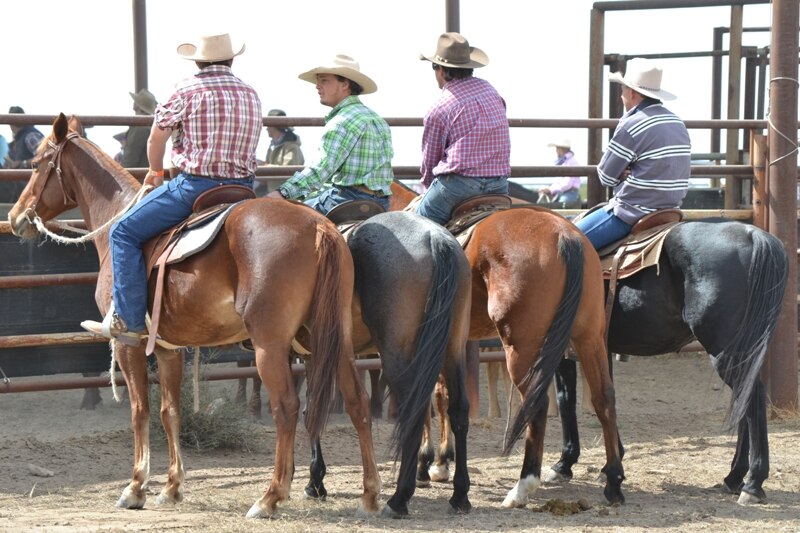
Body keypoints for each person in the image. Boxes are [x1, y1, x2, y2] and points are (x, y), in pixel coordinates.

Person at [82, 32, 262, 344]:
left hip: (195, 187)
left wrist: (155, 170)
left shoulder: (187, 88)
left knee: (123, 231)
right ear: (231, 59)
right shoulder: (250, 93)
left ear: (198, 60)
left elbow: (156, 138)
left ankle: (129, 318)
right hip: (243, 189)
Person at [575, 58, 691, 250]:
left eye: (623, 90)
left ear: (633, 93)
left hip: (633, 211)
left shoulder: (632, 124)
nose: (622, 95)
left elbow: (605, 176)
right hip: (669, 210)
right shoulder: (676, 121)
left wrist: (622, 173)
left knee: (568, 242)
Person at [266, 54, 393, 214]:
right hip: (381, 202)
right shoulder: (377, 119)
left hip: (346, 199)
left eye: (324, 80)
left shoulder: (341, 122)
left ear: (345, 84)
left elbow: (321, 169)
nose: (317, 86)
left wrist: (283, 192)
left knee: (287, 217)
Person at [415, 32, 511, 225]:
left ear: (440, 70)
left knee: (415, 228)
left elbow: (430, 161)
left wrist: (427, 187)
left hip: (458, 187)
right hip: (499, 185)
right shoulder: (490, 90)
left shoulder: (439, 108)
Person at [256, 108, 304, 196]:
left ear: (272, 127)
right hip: (274, 193)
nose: (266, 129)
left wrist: (263, 166)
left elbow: (290, 171)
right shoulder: (272, 147)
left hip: (284, 195)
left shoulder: (292, 148)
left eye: (267, 125)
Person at [537, 139, 582, 207]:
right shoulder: (565, 162)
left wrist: (550, 190)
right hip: (564, 192)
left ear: (561, 149)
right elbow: (559, 182)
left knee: (560, 207)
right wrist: (550, 189)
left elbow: (567, 184)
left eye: (557, 148)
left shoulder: (571, 162)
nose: (556, 151)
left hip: (569, 193)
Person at [121, 89, 158, 169]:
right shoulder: (148, 125)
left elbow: (130, 159)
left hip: (136, 178)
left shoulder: (140, 127)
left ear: (137, 105)